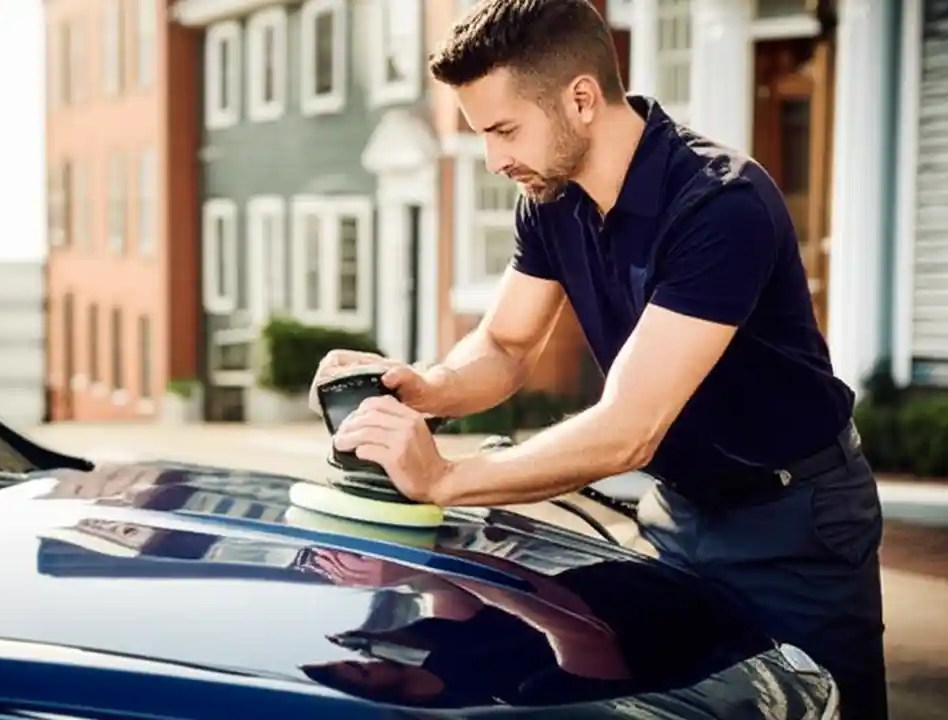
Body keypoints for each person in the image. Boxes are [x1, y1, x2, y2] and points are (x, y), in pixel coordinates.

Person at [311, 1, 887, 717]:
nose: (493, 160)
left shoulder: (720, 205)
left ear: (581, 98)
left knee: (823, 708)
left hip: (797, 522)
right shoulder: (551, 197)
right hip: (679, 512)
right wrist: (430, 386)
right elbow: (505, 344)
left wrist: (445, 480)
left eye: (503, 130)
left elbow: (628, 429)